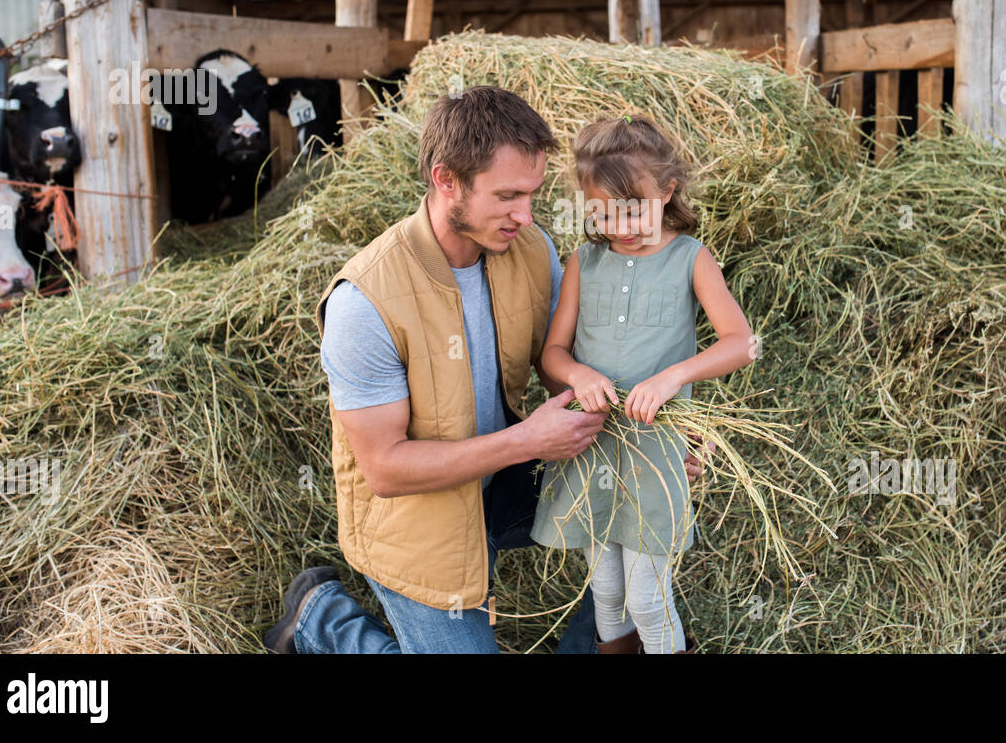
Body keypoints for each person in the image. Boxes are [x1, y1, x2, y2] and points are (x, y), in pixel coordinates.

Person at [264, 87, 705, 654]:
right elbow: (386, 470)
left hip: (512, 479)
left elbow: (562, 367)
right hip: (418, 516)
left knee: (634, 514)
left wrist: (662, 439)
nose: (525, 216)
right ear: (446, 179)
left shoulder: (530, 249)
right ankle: (321, 621)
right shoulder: (365, 300)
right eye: (507, 196)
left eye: (532, 194)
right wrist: (526, 440)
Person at [531, 114, 755, 654]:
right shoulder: (584, 262)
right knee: (606, 591)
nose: (622, 224)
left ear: (668, 188)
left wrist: (675, 375)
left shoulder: (690, 259)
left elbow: (741, 343)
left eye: (635, 208)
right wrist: (578, 373)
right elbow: (551, 356)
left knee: (648, 598)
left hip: (656, 450)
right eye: (604, 213)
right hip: (592, 446)